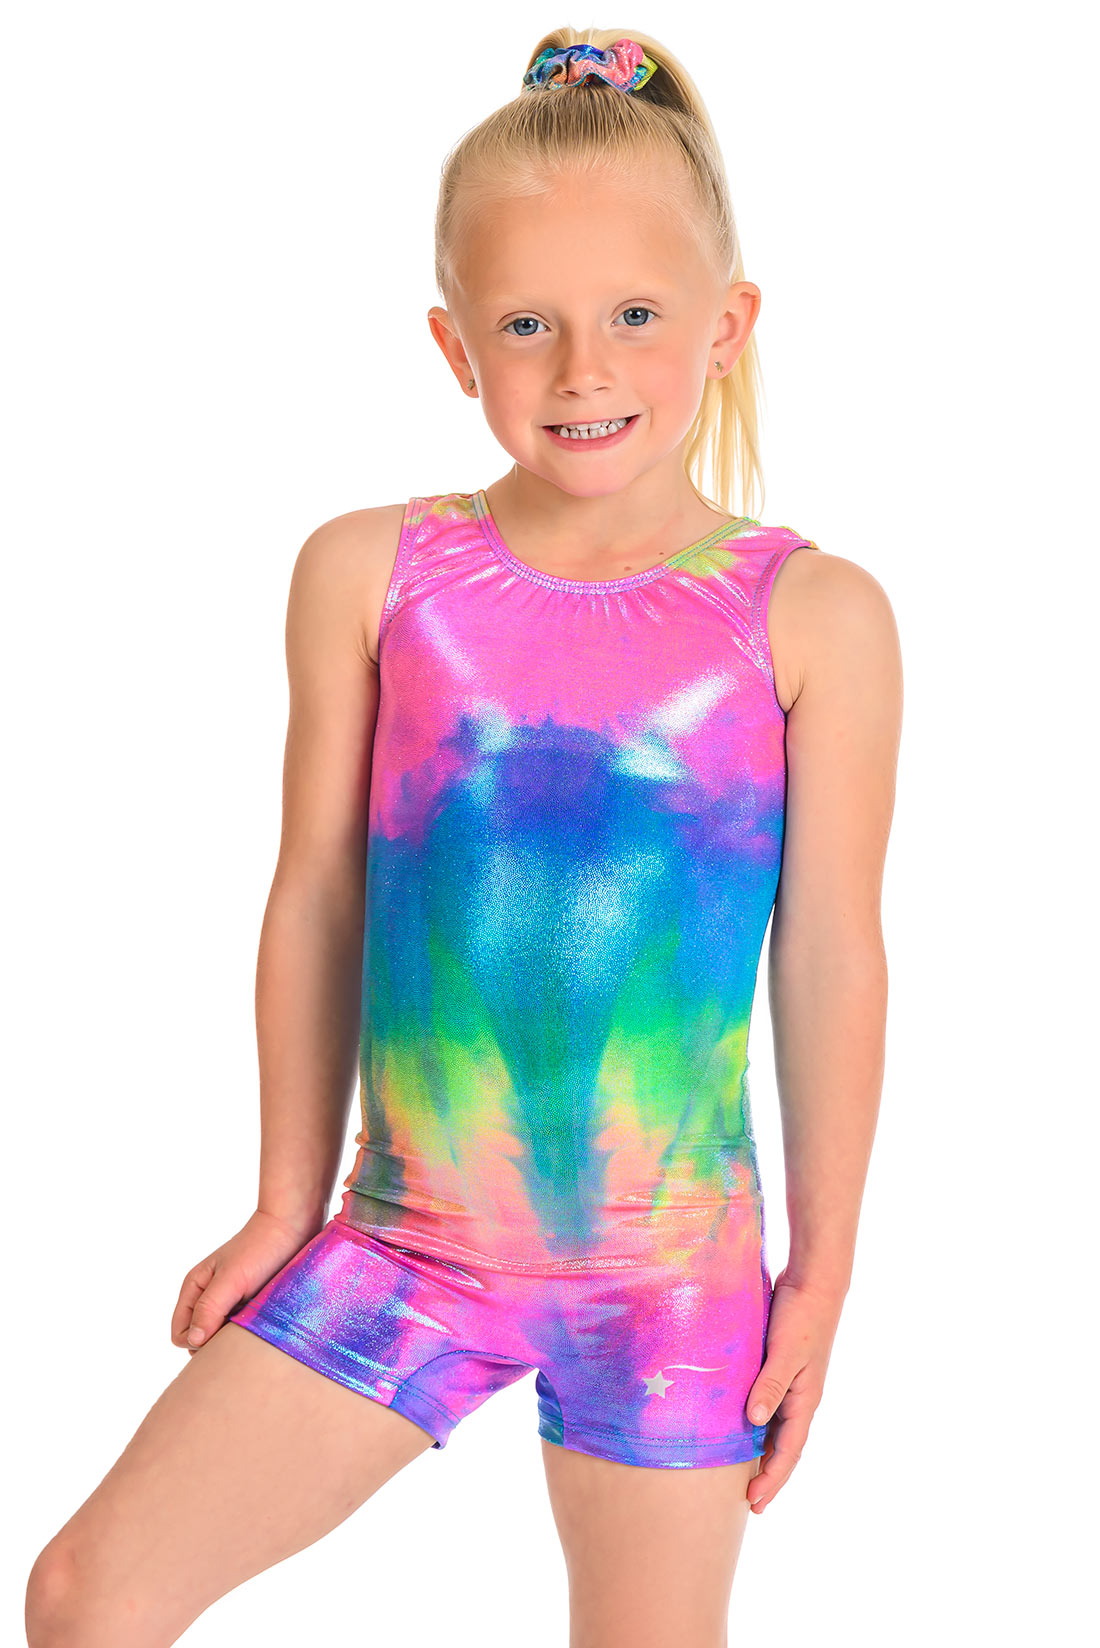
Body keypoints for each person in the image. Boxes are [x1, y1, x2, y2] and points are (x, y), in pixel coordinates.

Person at [25, 27, 901, 1648]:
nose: (582, 370)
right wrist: (283, 1200)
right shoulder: (374, 573)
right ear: (454, 345)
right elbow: (317, 891)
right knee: (88, 1598)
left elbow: (833, 952)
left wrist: (824, 1274)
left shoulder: (814, 616)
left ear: (726, 326)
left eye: (635, 316)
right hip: (408, 1243)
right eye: (526, 324)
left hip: (671, 1280)